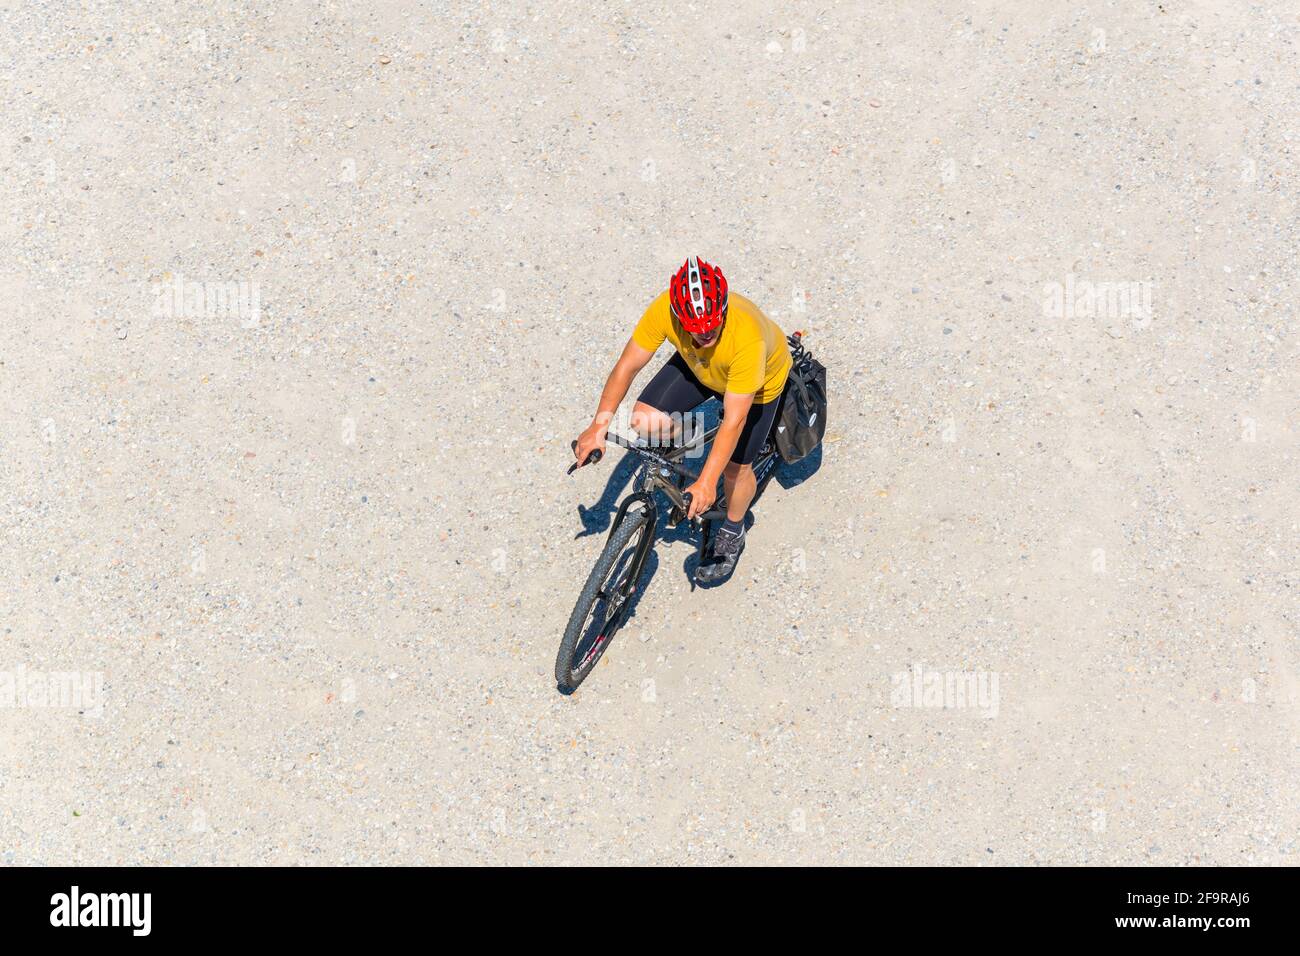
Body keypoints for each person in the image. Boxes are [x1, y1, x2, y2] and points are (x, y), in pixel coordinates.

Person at [573, 257, 791, 583]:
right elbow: (627, 366)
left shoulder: (746, 338)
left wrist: (706, 481)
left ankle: (733, 529)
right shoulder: (664, 309)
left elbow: (734, 421)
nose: (705, 335)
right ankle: (688, 440)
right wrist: (599, 426)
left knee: (734, 469)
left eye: (712, 327)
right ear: (677, 315)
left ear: (724, 310)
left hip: (757, 386)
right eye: (695, 330)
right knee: (644, 421)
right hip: (701, 367)